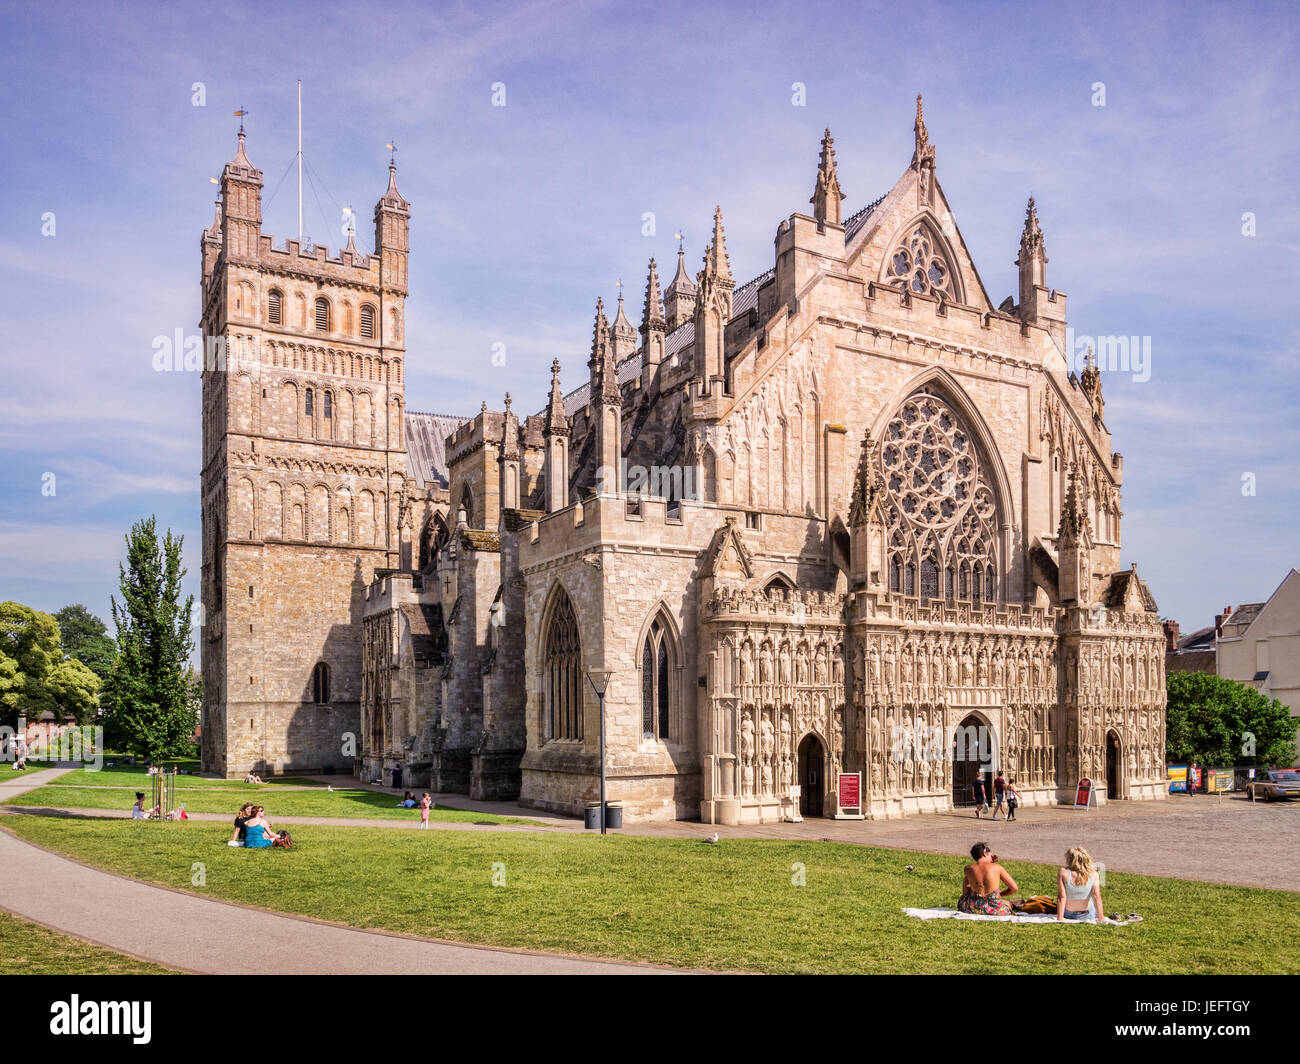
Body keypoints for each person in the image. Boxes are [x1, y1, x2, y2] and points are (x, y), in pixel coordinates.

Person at [958, 842, 1018, 915]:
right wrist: (1000, 894)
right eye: (991, 855)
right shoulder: (997, 867)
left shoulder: (968, 869)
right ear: (984, 853)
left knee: (967, 879)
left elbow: (965, 893)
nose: (992, 857)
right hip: (995, 909)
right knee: (1008, 903)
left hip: (973, 908)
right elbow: (1014, 888)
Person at [1056, 846, 1104, 921]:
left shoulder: (1063, 872)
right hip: (1087, 914)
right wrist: (1101, 918)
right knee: (1091, 898)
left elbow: (1061, 897)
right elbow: (1097, 897)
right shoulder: (1094, 874)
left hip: (1067, 914)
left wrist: (1060, 918)